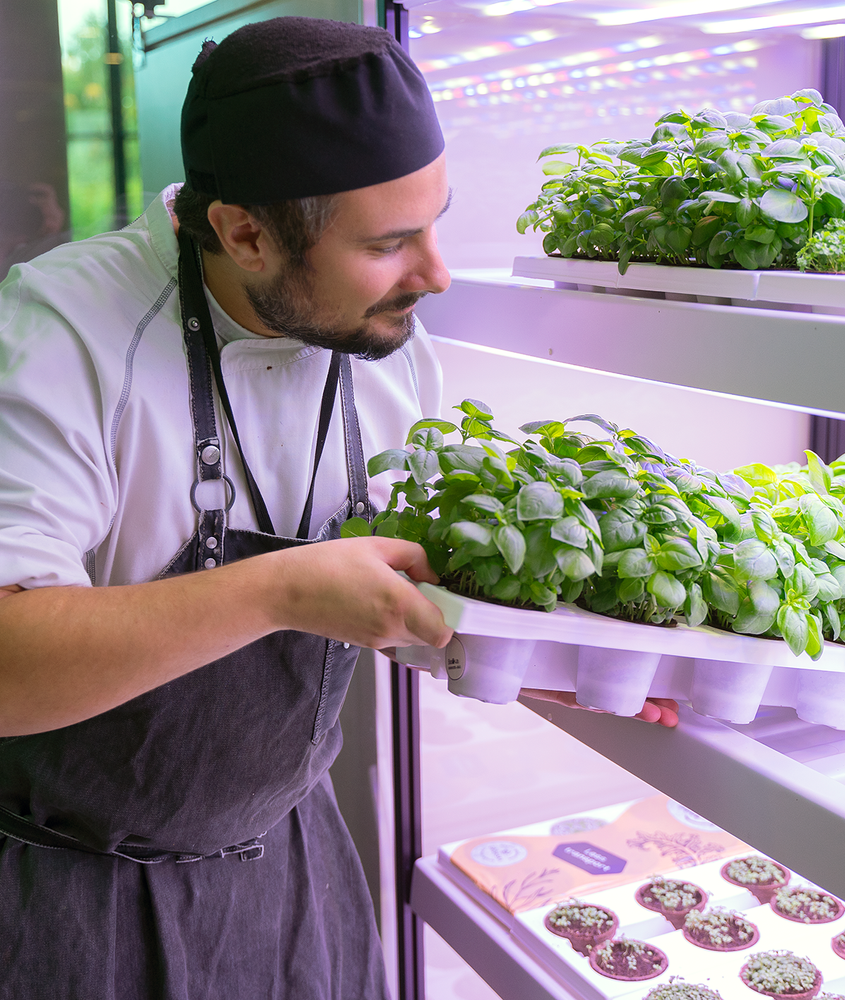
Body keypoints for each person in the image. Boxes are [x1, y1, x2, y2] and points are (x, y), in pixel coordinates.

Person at [0, 16, 678, 998]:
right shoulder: (58, 331)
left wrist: (535, 656)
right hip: (65, 894)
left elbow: (399, 596)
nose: (436, 273)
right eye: (391, 242)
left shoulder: (387, 346)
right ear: (244, 233)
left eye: (434, 222)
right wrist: (279, 590)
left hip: (290, 867)